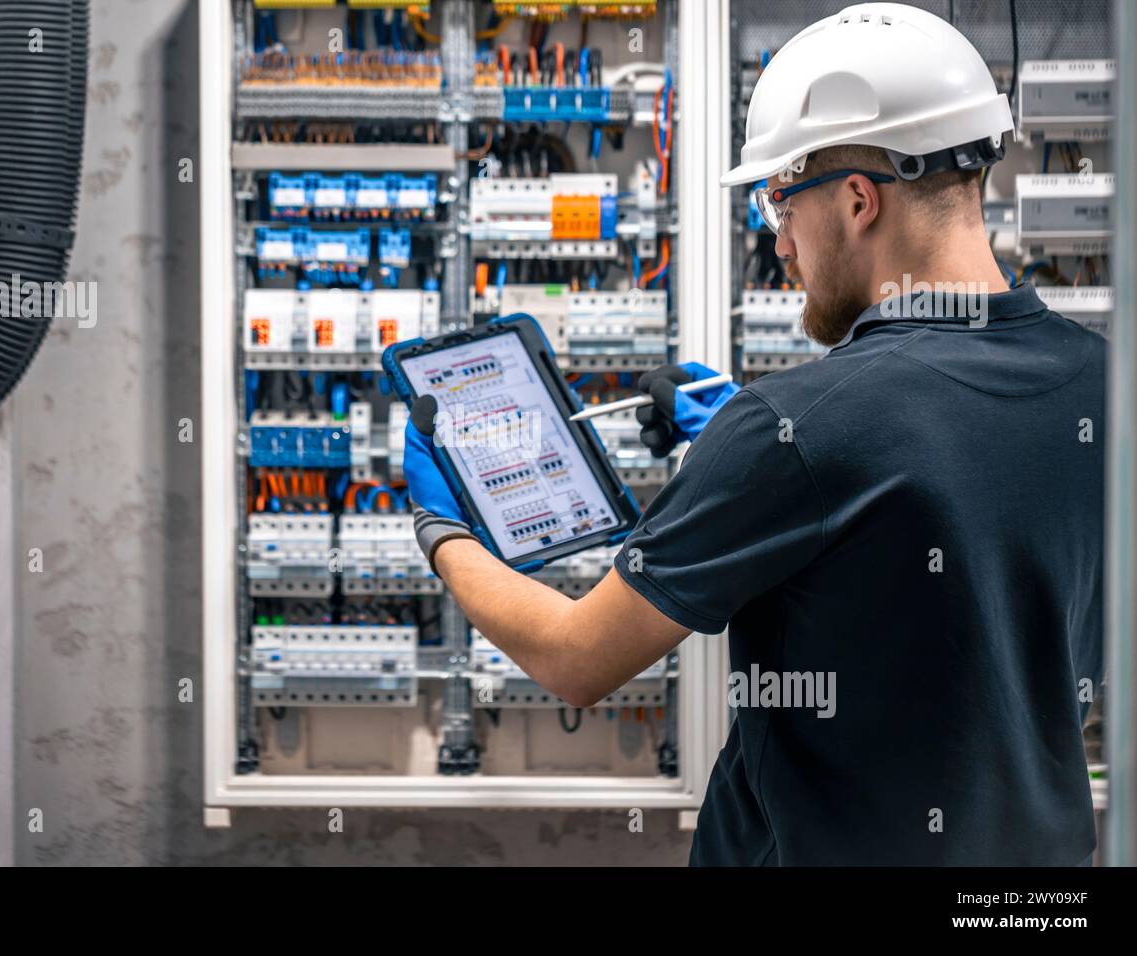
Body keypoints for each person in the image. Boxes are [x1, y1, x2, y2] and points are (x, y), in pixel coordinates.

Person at [404, 2, 1104, 865]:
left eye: (781, 202)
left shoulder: (796, 429)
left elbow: (575, 658)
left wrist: (445, 529)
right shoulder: (1104, 384)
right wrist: (774, 454)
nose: (781, 245)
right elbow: (943, 500)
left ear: (858, 201)